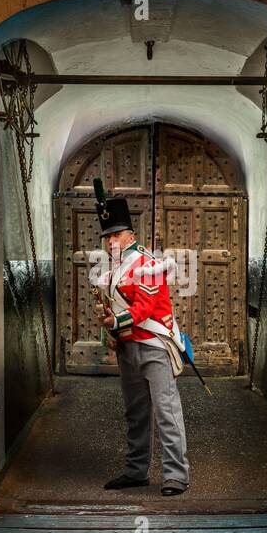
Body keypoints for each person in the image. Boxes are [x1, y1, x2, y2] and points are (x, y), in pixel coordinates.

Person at [91, 191, 190, 496]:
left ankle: (176, 476)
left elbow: (144, 309)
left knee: (166, 411)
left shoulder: (148, 264)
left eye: (117, 234)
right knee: (135, 412)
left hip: (153, 345)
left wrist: (115, 322)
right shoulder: (113, 270)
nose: (111, 242)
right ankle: (136, 472)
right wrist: (111, 324)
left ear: (131, 234)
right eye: (107, 236)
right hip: (128, 348)